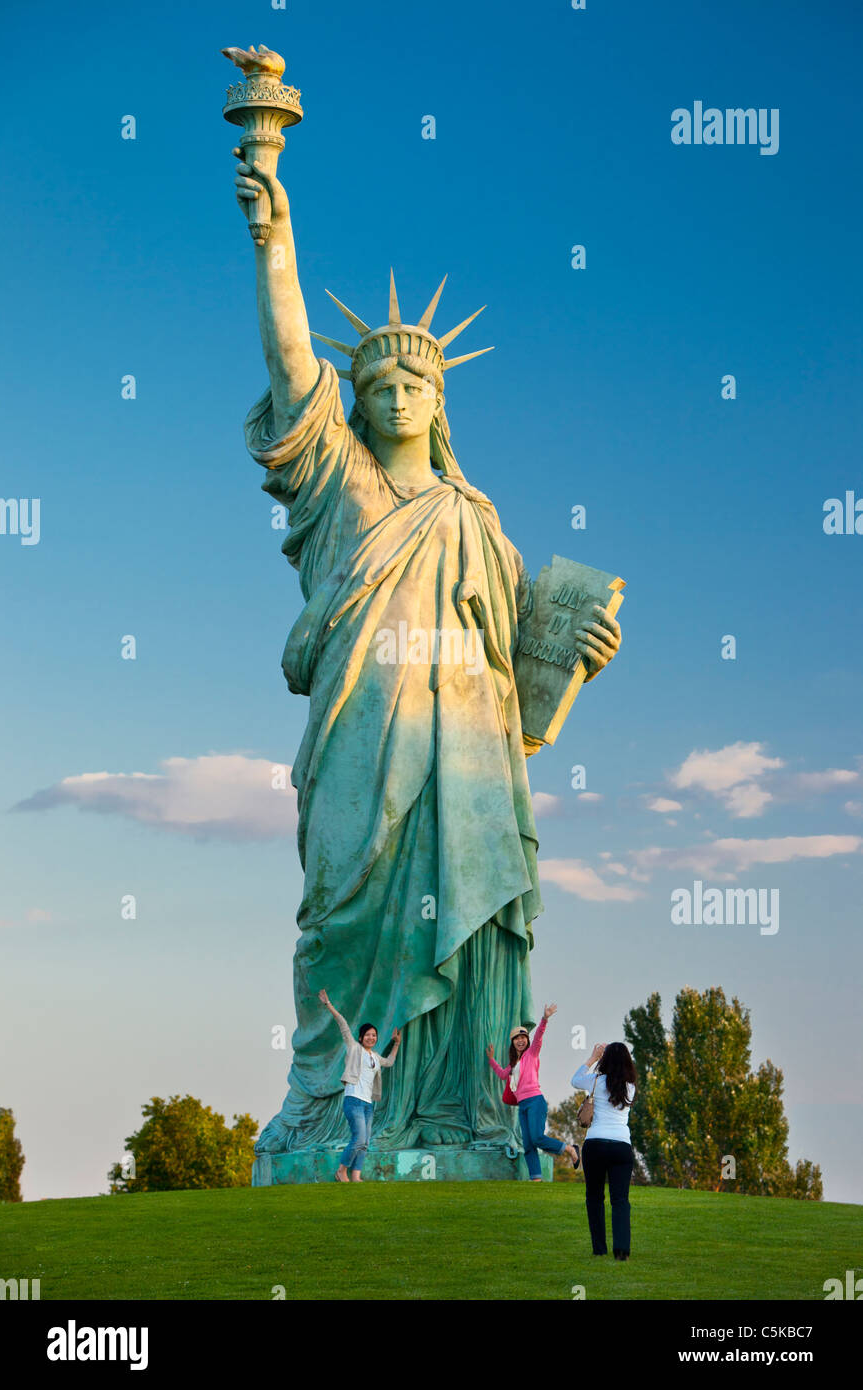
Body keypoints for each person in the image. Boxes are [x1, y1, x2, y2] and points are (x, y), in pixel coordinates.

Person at [233, 148, 623, 1159]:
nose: (397, 392)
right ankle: (330, 1111)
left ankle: (464, 1114)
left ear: (440, 397)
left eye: (415, 378)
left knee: (474, 929)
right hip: (360, 749)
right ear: (355, 400)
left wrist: (578, 659)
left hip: (470, 775)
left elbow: (522, 706)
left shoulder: (480, 524)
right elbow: (292, 368)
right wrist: (275, 238)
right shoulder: (338, 483)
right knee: (340, 918)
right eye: (376, 380)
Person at [486, 1003, 580, 1180]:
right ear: (513, 1043)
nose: (520, 1040)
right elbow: (502, 1074)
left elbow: (539, 1036)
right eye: (516, 1038)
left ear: (527, 1040)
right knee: (528, 1144)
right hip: (522, 1106)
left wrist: (544, 1019)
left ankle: (570, 1149)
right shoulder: (513, 1065)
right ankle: (536, 1180)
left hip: (535, 1101)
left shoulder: (532, 1053)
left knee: (537, 1138)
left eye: (523, 1037)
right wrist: (491, 1060)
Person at [319, 989, 401, 1182]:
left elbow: (389, 1062)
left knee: (364, 1142)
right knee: (358, 1138)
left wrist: (396, 1044)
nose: (371, 1038)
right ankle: (341, 1171)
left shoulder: (375, 1057)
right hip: (353, 1100)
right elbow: (343, 1024)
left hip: (367, 1104)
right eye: (368, 1035)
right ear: (361, 1037)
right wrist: (328, 1004)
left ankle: (356, 1175)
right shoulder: (354, 1048)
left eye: (374, 1035)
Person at [572, 1042, 637, 1258]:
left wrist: (592, 1058)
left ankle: (599, 1249)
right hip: (621, 1146)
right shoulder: (630, 1087)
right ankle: (622, 1251)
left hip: (595, 1144)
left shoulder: (596, 1081)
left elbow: (575, 1080)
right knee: (620, 1200)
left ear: (605, 1060)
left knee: (594, 1198)